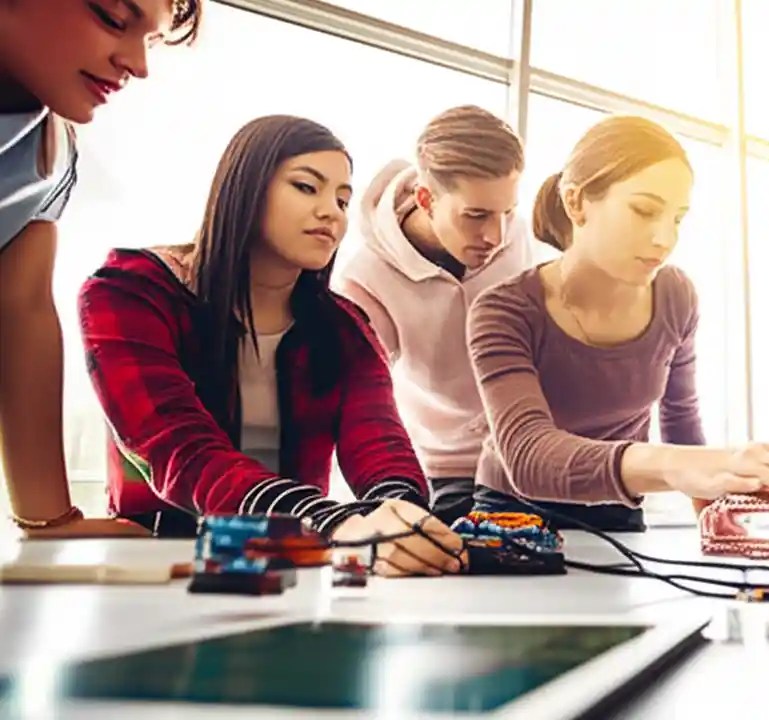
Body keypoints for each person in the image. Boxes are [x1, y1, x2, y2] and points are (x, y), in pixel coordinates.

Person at [78, 115, 464, 576]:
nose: (332, 212)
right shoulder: (130, 293)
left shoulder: (345, 327)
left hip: (290, 567)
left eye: (343, 199)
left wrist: (400, 517)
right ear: (245, 186)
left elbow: (380, 443)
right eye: (306, 187)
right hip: (159, 562)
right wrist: (330, 519)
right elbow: (181, 449)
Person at [466, 115, 769, 531]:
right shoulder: (502, 312)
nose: (665, 238)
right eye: (644, 210)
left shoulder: (675, 295)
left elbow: (682, 423)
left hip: (619, 510)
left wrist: (718, 520)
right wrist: (679, 464)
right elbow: (528, 455)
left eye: (677, 218)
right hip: (511, 518)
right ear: (576, 203)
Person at [0, 0, 202, 537]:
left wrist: (49, 521)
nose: (138, 65)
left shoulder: (50, 157)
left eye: (152, 41)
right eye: (113, 18)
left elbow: (23, 314)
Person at [333, 105, 532, 526]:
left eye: (506, 213)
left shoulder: (518, 237)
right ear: (426, 199)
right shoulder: (366, 280)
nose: (496, 237)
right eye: (476, 216)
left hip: (535, 456)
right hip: (452, 474)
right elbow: (358, 400)